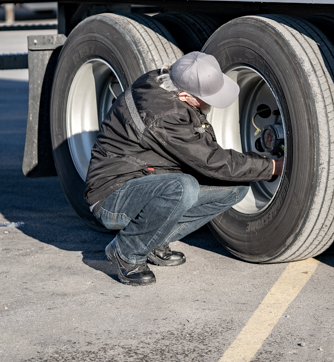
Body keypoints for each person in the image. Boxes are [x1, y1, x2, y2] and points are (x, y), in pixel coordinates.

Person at [85, 51, 284, 286]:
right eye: (207, 98)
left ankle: (151, 242)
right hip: (112, 194)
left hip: (147, 177)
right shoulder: (164, 115)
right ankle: (127, 251)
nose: (211, 103)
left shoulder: (166, 81)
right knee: (182, 187)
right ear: (185, 96)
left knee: (236, 188)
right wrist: (271, 166)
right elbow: (211, 160)